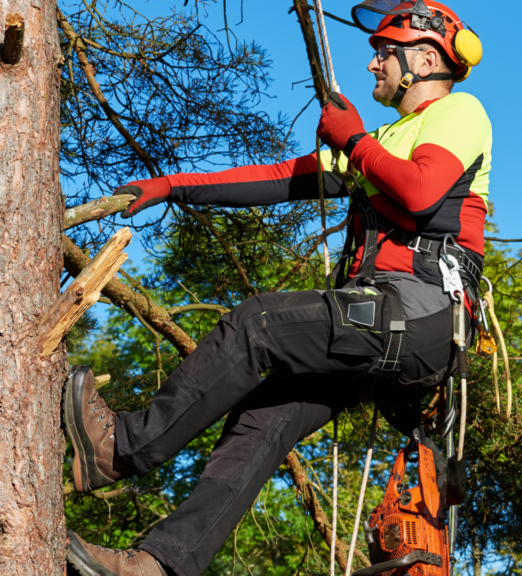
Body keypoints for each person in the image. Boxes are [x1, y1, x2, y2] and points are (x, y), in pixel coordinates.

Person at [64, 2, 489, 575]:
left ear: (427, 59)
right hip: (383, 321)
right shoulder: (385, 139)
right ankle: (160, 564)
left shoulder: (459, 112)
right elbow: (281, 178)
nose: (373, 65)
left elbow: (419, 192)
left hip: (418, 314)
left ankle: (121, 448)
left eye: (385, 52)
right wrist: (173, 186)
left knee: (256, 324)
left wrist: (354, 141)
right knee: (262, 419)